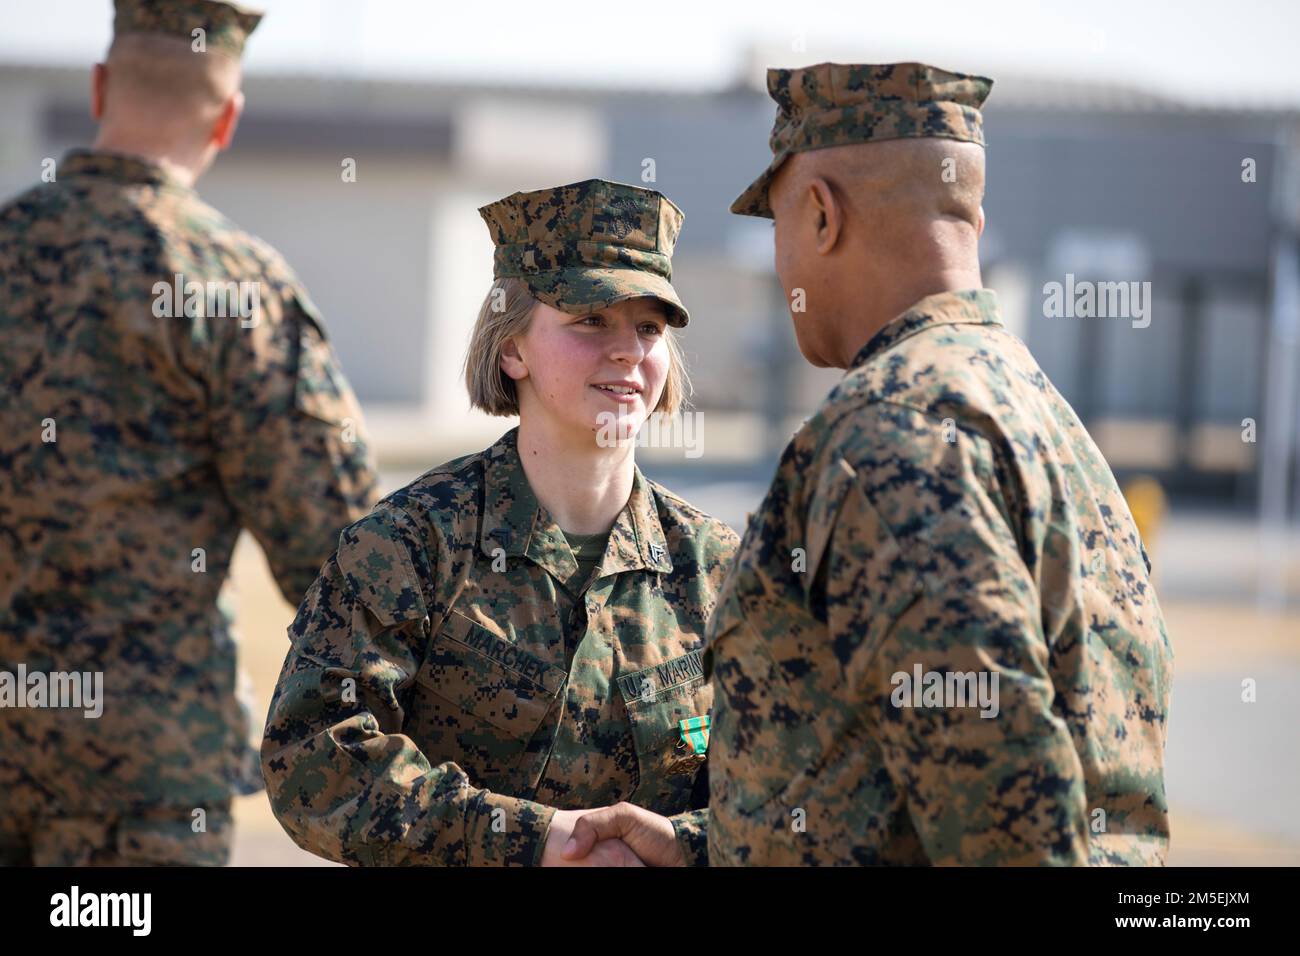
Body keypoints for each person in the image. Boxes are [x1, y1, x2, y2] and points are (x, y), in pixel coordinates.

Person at [707, 62, 1174, 865]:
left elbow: (1007, 825)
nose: (782, 263)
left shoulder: (890, 431)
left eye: (778, 226)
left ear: (820, 215)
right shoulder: (1041, 413)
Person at [0, 0, 379, 866]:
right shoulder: (234, 287)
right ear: (229, 118)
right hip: (143, 783)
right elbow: (339, 555)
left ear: (99, 87)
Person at [262, 179, 739, 866]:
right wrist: (536, 842)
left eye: (649, 328)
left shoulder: (714, 565)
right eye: (591, 320)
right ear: (513, 349)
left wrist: (676, 846)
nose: (629, 351)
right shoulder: (411, 545)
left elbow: (786, 791)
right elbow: (315, 759)